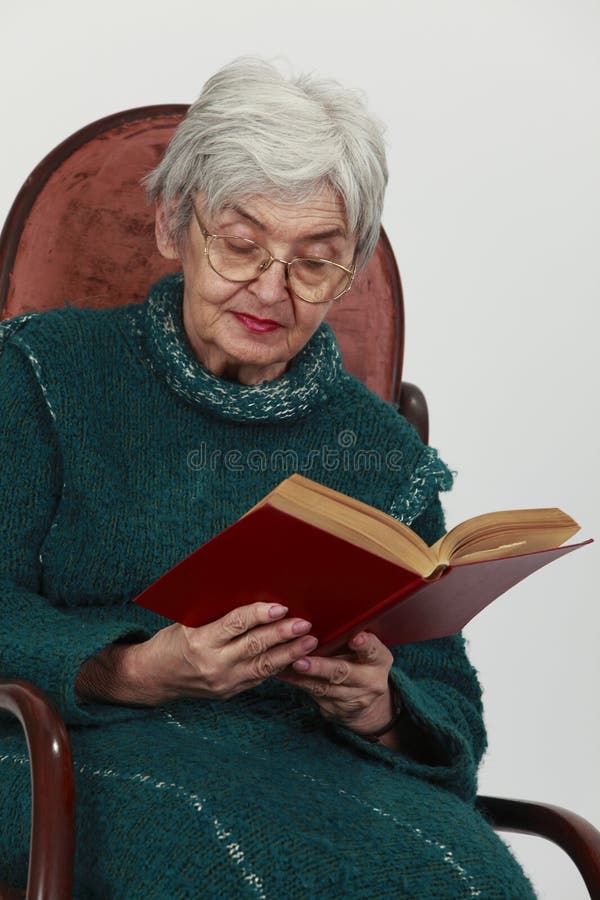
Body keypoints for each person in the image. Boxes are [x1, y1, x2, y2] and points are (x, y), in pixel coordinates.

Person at [0, 58, 536, 898]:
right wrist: (131, 669)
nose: (270, 290)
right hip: (66, 745)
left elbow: (446, 703)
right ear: (175, 226)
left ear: (351, 269)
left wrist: (380, 708)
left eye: (313, 262)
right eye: (242, 245)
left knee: (473, 876)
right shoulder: (43, 373)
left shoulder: (380, 452)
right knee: (244, 867)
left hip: (313, 760)